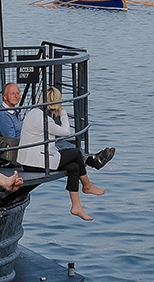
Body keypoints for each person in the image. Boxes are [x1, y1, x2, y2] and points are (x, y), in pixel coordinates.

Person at [17, 87, 112, 221]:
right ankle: (87, 185)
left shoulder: (34, 112)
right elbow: (67, 132)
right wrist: (63, 113)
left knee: (74, 167)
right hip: (37, 162)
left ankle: (76, 206)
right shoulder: (44, 120)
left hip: (29, 161)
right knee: (76, 153)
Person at [0, 82, 24, 165]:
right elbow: (11, 140)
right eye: (12, 93)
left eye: (17, 93)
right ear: (5, 97)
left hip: (20, 151)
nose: (16, 96)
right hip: (11, 156)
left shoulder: (15, 112)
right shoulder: (3, 115)